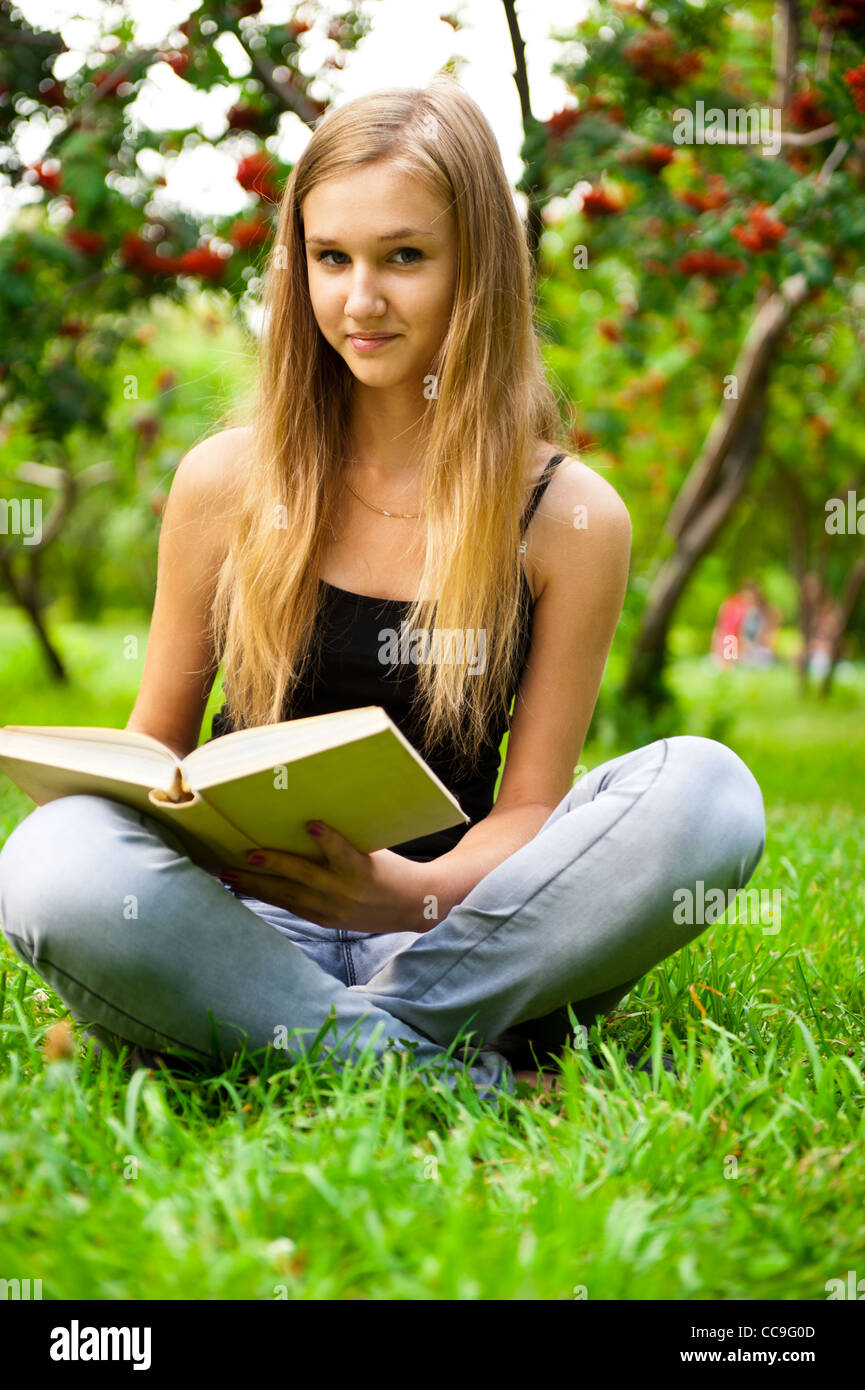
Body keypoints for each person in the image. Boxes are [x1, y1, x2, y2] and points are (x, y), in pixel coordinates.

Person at [0, 78, 766, 1099]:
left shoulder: (568, 515)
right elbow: (160, 745)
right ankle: (430, 1068)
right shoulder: (225, 482)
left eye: (404, 256)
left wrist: (402, 895)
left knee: (710, 793)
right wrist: (109, 779)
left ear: (476, 269)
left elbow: (530, 806)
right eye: (331, 258)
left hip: (463, 926)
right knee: (53, 857)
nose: (359, 301)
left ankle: (292, 1039)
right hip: (243, 927)